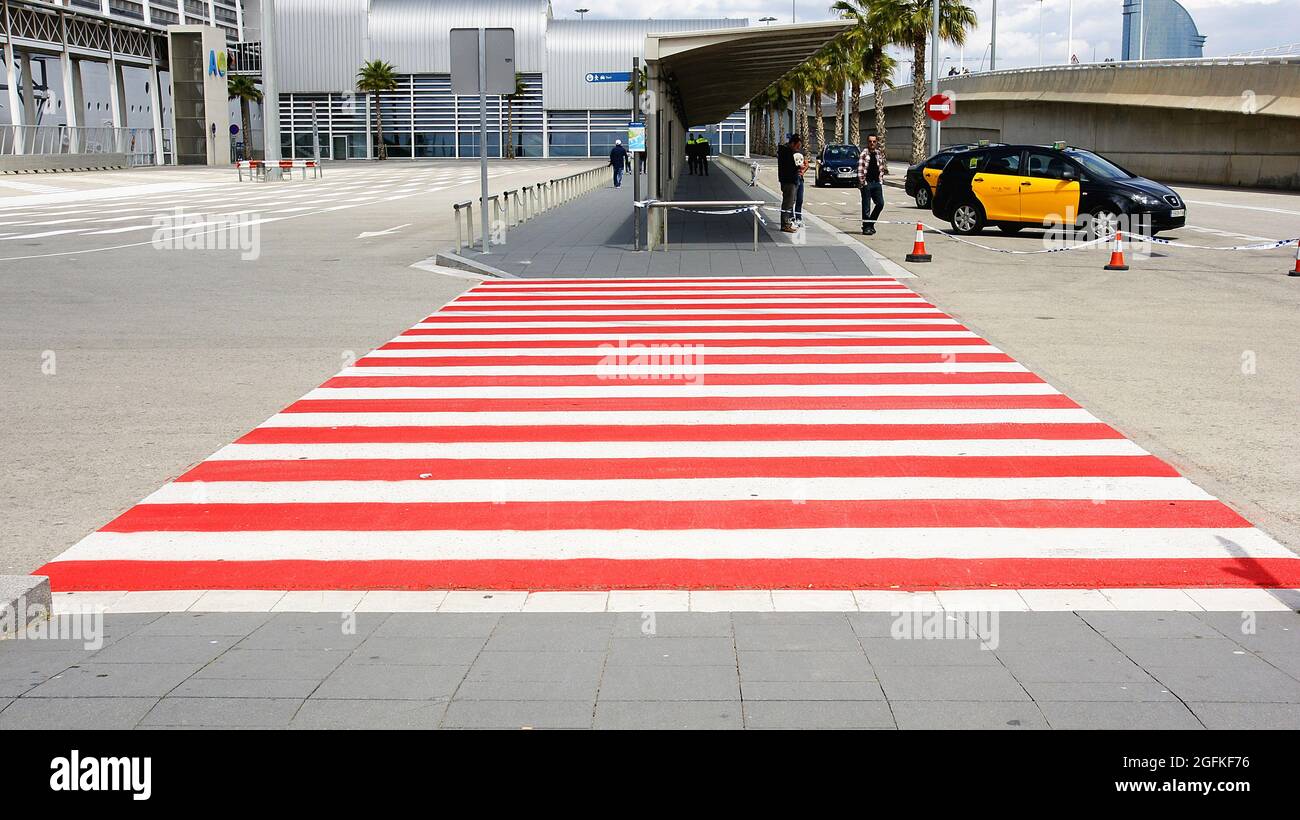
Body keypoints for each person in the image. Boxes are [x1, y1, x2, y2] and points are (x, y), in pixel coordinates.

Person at [857, 133, 888, 235]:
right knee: (866, 207)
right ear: (867, 142)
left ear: (876, 142)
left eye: (874, 141)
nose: (872, 143)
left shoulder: (879, 153)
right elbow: (860, 170)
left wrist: (880, 181)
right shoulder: (864, 154)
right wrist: (863, 183)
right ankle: (866, 228)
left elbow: (881, 167)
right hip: (867, 184)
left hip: (876, 183)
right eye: (870, 141)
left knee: (880, 204)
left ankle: (870, 224)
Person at [777, 134, 802, 233]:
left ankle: (786, 223)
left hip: (790, 180)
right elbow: (789, 168)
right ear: (792, 144)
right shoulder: (787, 153)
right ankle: (785, 224)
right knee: (788, 203)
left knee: (791, 202)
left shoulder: (787, 152)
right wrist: (798, 167)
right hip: (789, 181)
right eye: (797, 146)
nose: (798, 149)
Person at [793, 147, 809, 226]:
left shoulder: (802, 151)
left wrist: (801, 172)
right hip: (792, 179)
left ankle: (798, 218)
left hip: (800, 178)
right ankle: (791, 217)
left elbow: (806, 164)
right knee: (792, 200)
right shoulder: (789, 152)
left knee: (800, 199)